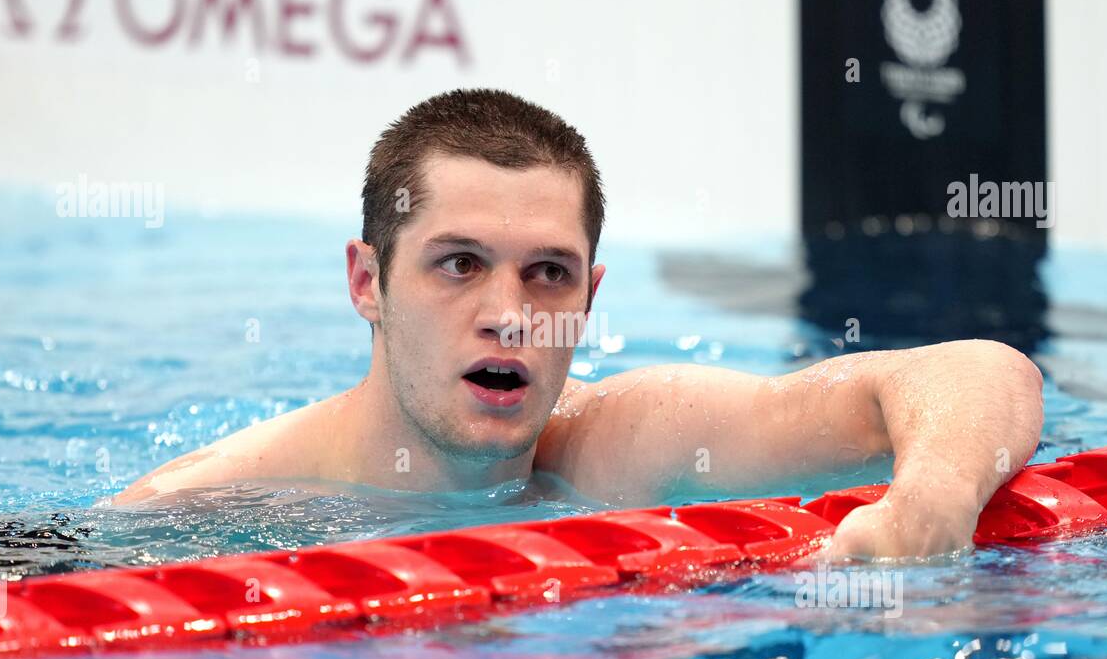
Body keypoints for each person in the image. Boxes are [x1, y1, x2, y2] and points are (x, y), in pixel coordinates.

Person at [114, 88, 1044, 558]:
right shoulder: (214, 507)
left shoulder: (613, 446)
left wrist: (930, 500)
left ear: (589, 299)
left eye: (548, 275)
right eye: (459, 265)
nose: (510, 317)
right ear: (368, 283)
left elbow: (974, 373)